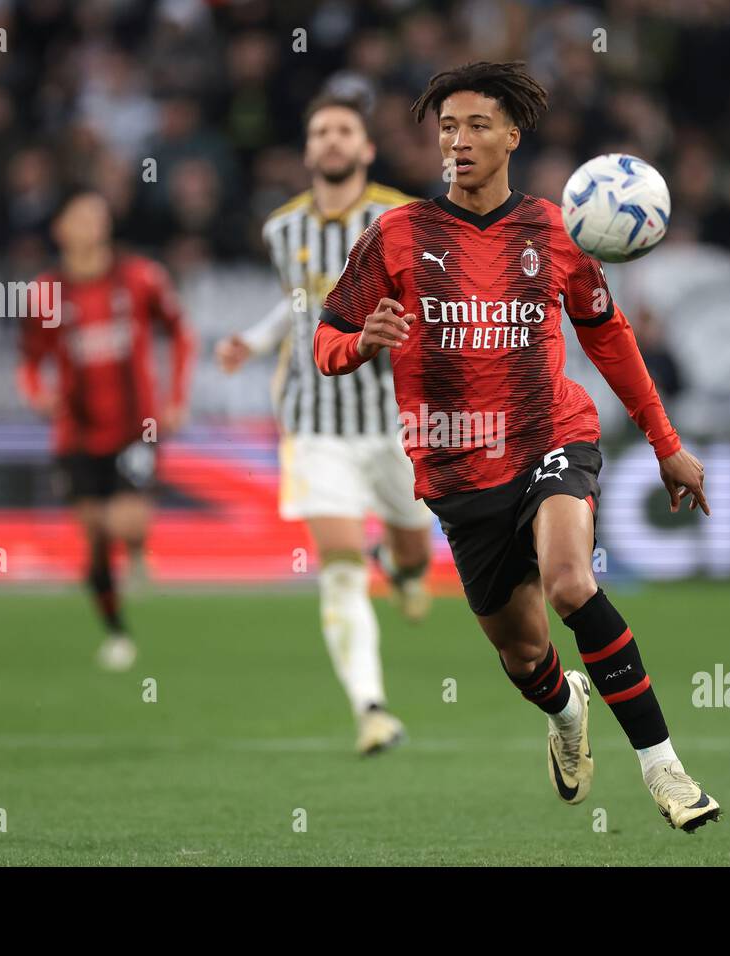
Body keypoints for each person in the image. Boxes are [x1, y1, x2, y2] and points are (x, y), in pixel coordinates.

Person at [313, 62, 721, 830]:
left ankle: (665, 769)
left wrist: (666, 443)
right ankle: (566, 709)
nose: (457, 142)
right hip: (455, 464)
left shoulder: (554, 234)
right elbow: (326, 338)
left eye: (474, 126)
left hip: (551, 437)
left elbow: (609, 339)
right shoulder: (397, 235)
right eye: (446, 128)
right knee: (525, 654)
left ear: (512, 135)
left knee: (571, 583)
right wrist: (360, 343)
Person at [216, 93, 432, 755]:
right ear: (308, 151)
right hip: (315, 422)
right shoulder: (283, 230)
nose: (332, 141)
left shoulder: (401, 219)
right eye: (320, 132)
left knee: (414, 555)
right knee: (338, 566)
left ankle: (404, 570)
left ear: (366, 149)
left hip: (393, 420)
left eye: (344, 130)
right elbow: (300, 306)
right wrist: (253, 343)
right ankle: (371, 709)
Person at [18, 189, 193, 671]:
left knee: (125, 522)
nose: (92, 226)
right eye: (80, 217)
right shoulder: (46, 294)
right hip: (76, 434)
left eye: (98, 217)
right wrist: (36, 393)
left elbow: (180, 332)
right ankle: (116, 632)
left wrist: (176, 397)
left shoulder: (139, 277)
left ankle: (137, 548)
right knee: (94, 536)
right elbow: (30, 359)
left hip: (136, 428)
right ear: (61, 229)